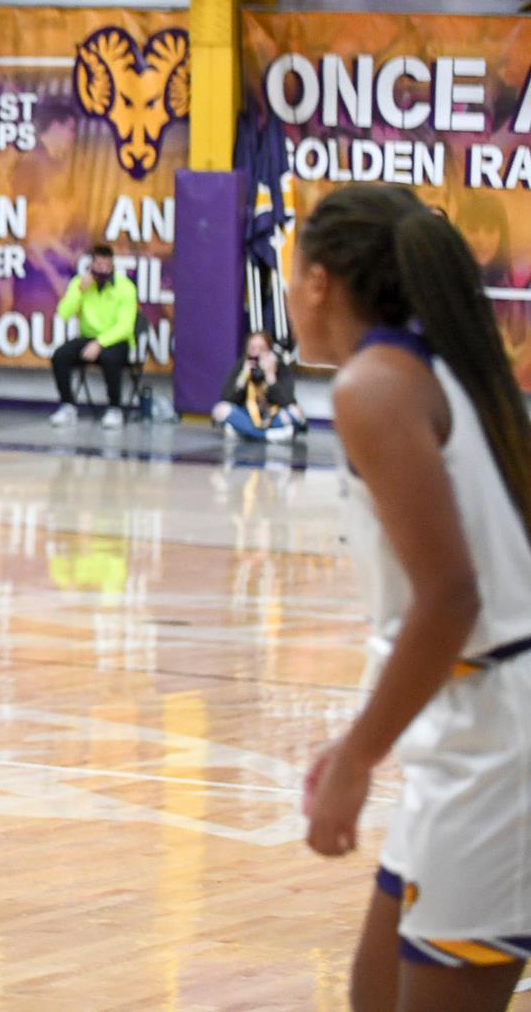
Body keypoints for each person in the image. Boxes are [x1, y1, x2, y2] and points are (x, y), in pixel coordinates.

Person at [293, 183, 531, 1012]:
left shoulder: (374, 388)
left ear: (319, 282)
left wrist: (359, 757)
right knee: (373, 994)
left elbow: (451, 598)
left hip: (496, 747)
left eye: (293, 276)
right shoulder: (414, 370)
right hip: (466, 732)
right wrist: (362, 737)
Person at [47, 244, 138, 430]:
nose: (102, 269)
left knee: (109, 357)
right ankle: (67, 405)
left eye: (107, 264)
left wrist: (100, 343)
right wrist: (79, 291)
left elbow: (125, 326)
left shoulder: (125, 287)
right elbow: (63, 313)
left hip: (116, 340)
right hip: (88, 337)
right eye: (98, 264)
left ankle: (114, 408)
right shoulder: (80, 284)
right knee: (60, 356)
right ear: (91, 265)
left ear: (112, 265)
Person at [210, 333, 303, 443]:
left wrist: (271, 377)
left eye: (262, 348)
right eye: (252, 348)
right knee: (220, 409)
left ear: (270, 350)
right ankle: (266, 435)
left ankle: (246, 433)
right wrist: (243, 377)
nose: (257, 352)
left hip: (272, 416)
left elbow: (288, 401)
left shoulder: (280, 367)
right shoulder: (242, 365)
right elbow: (227, 398)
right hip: (247, 416)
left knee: (296, 412)